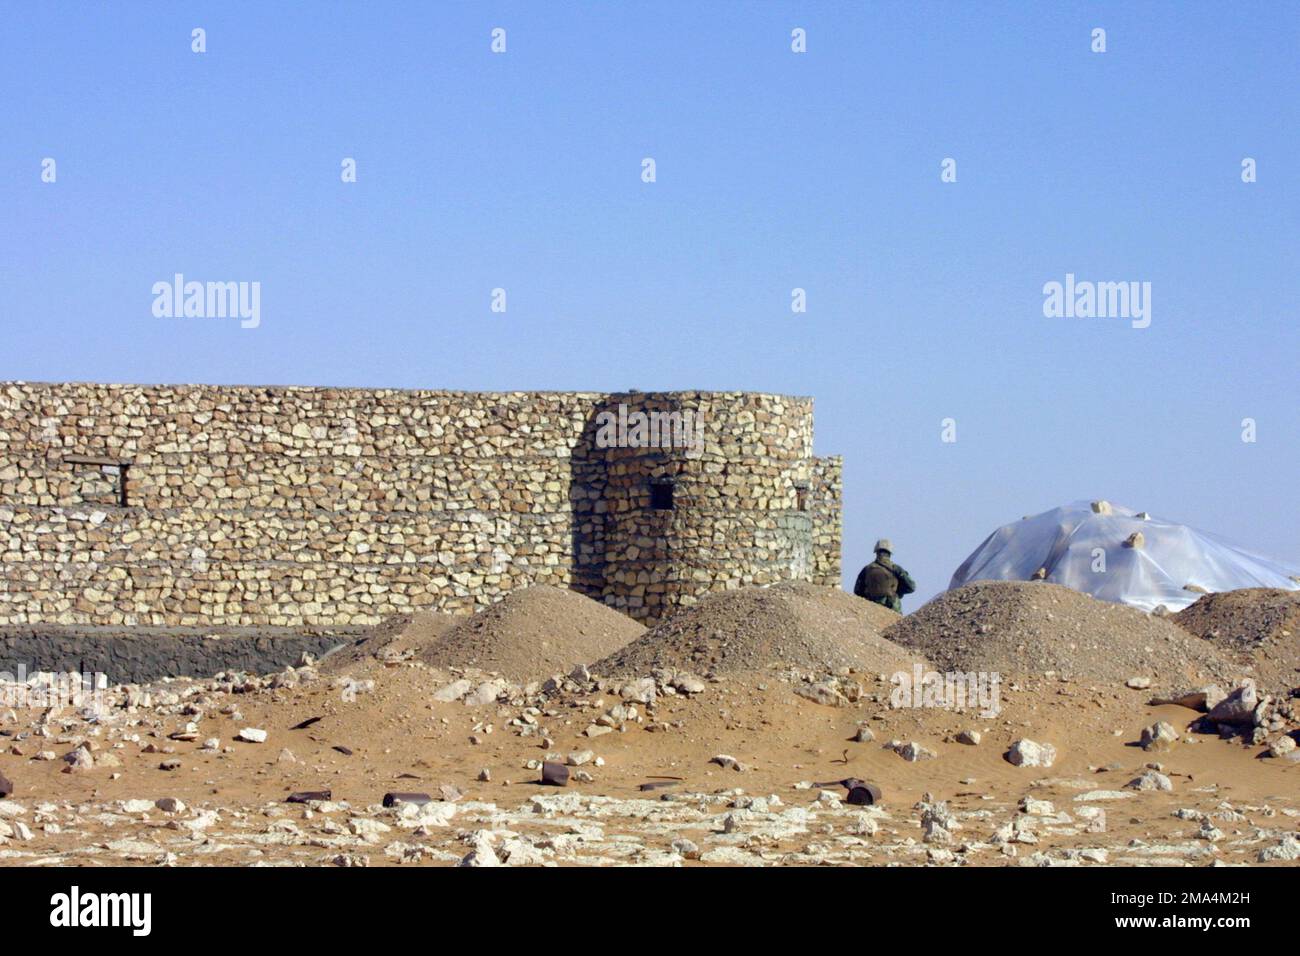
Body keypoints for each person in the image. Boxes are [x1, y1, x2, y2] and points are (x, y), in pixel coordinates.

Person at [853, 539, 916, 612]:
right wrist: (898, 592)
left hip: (870, 609)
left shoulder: (866, 569)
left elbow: (857, 591)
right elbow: (912, 587)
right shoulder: (896, 569)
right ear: (890, 553)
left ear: (876, 552)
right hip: (892, 608)